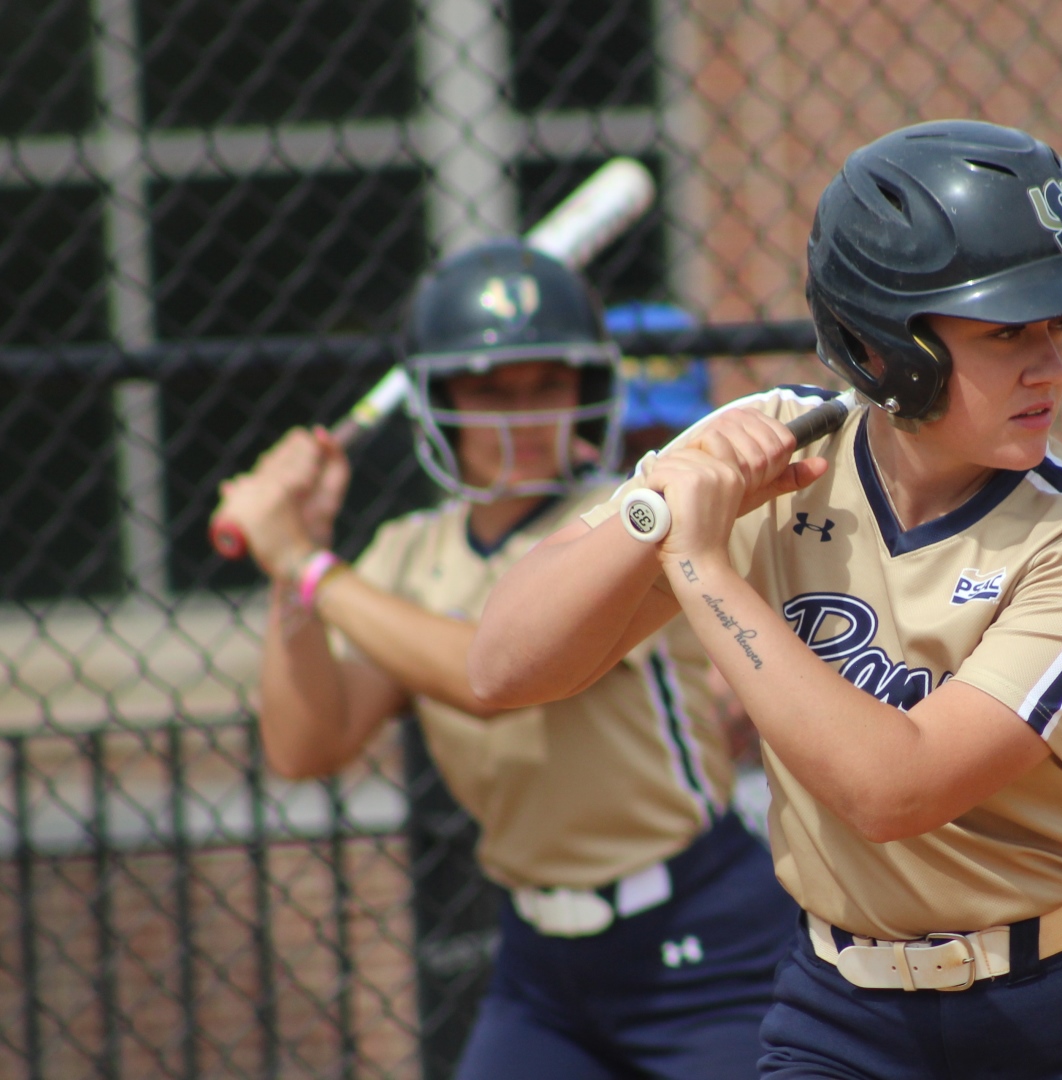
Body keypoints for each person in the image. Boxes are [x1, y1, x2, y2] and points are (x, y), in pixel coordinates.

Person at [468, 121, 1062, 1078]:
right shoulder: (775, 455)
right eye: (1008, 331)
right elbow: (503, 664)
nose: (1051, 364)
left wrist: (706, 567)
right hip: (848, 1020)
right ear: (888, 349)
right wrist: (654, 510)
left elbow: (895, 790)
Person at [214, 239, 795, 1080]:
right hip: (539, 966)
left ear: (586, 391)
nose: (520, 416)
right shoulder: (408, 554)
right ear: (439, 400)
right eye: (488, 390)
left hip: (699, 937)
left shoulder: (626, 519)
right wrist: (288, 568)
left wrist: (311, 567)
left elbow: (491, 677)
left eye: (545, 385)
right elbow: (308, 746)